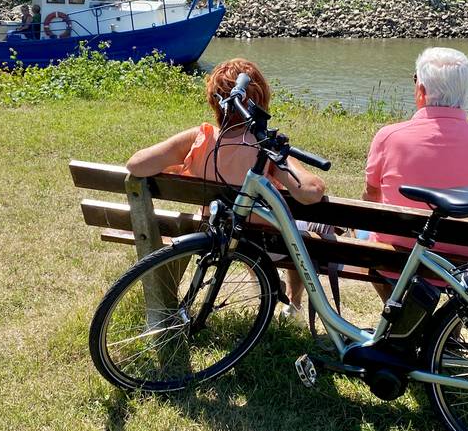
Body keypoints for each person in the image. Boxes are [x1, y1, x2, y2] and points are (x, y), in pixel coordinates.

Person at [126, 59, 326, 315]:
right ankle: (294, 307)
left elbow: (137, 165)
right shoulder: (262, 145)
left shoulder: (199, 139)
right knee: (306, 230)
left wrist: (180, 166)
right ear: (260, 99)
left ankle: (269, 296)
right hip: (265, 243)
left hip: (214, 232)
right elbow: (310, 192)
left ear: (214, 100)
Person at [363, 47, 468, 299]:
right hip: (466, 260)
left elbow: (371, 196)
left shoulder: (389, 137)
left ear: (421, 91)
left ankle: (394, 311)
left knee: (364, 233)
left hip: (395, 256)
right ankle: (450, 326)